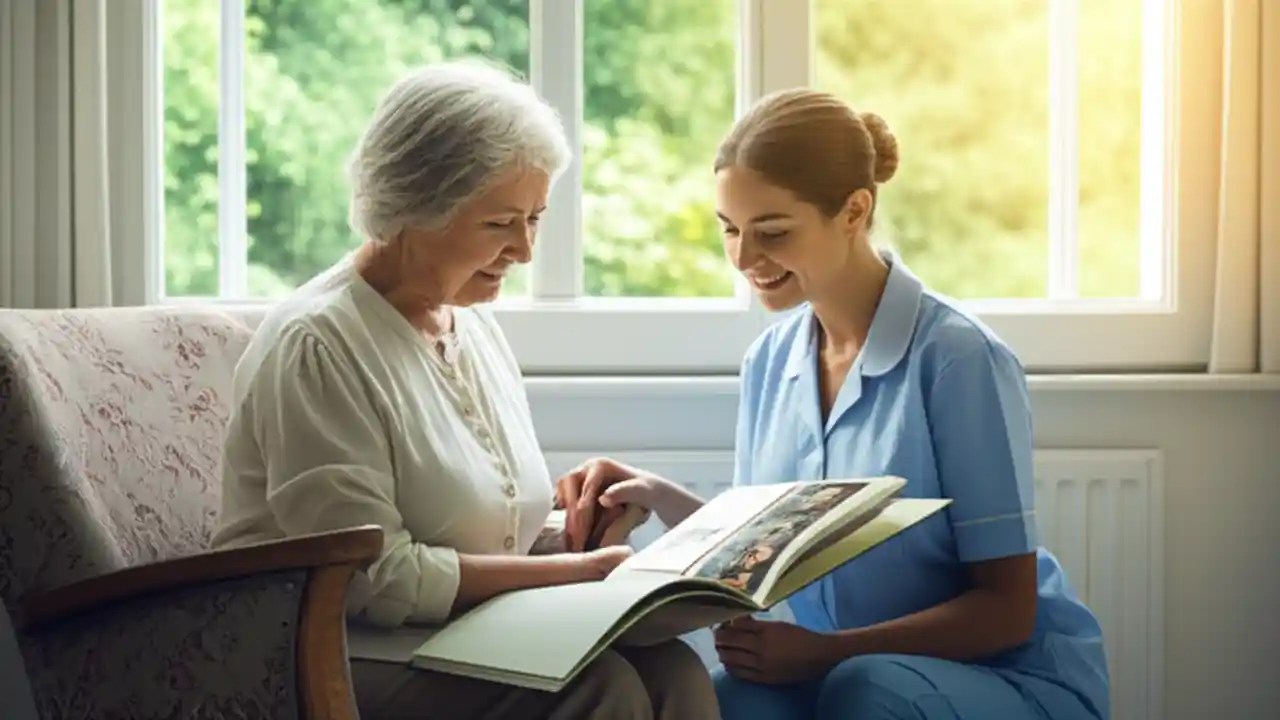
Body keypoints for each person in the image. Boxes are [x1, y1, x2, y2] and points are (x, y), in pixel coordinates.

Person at [557, 88, 1110, 719]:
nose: (743, 258)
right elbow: (766, 548)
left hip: (1006, 680)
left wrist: (825, 652)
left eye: (773, 231)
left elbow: (1007, 612)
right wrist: (652, 493)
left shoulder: (958, 359)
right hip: (850, 666)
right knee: (730, 699)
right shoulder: (770, 361)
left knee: (864, 689)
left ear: (854, 211)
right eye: (730, 230)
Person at [212, 61, 718, 720]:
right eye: (500, 222)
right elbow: (372, 578)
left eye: (535, 218)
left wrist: (577, 536)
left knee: (673, 668)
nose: (526, 250)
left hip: (450, 635)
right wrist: (582, 575)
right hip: (328, 648)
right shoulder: (320, 344)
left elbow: (484, 538)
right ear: (414, 207)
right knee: (603, 689)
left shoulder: (470, 326)